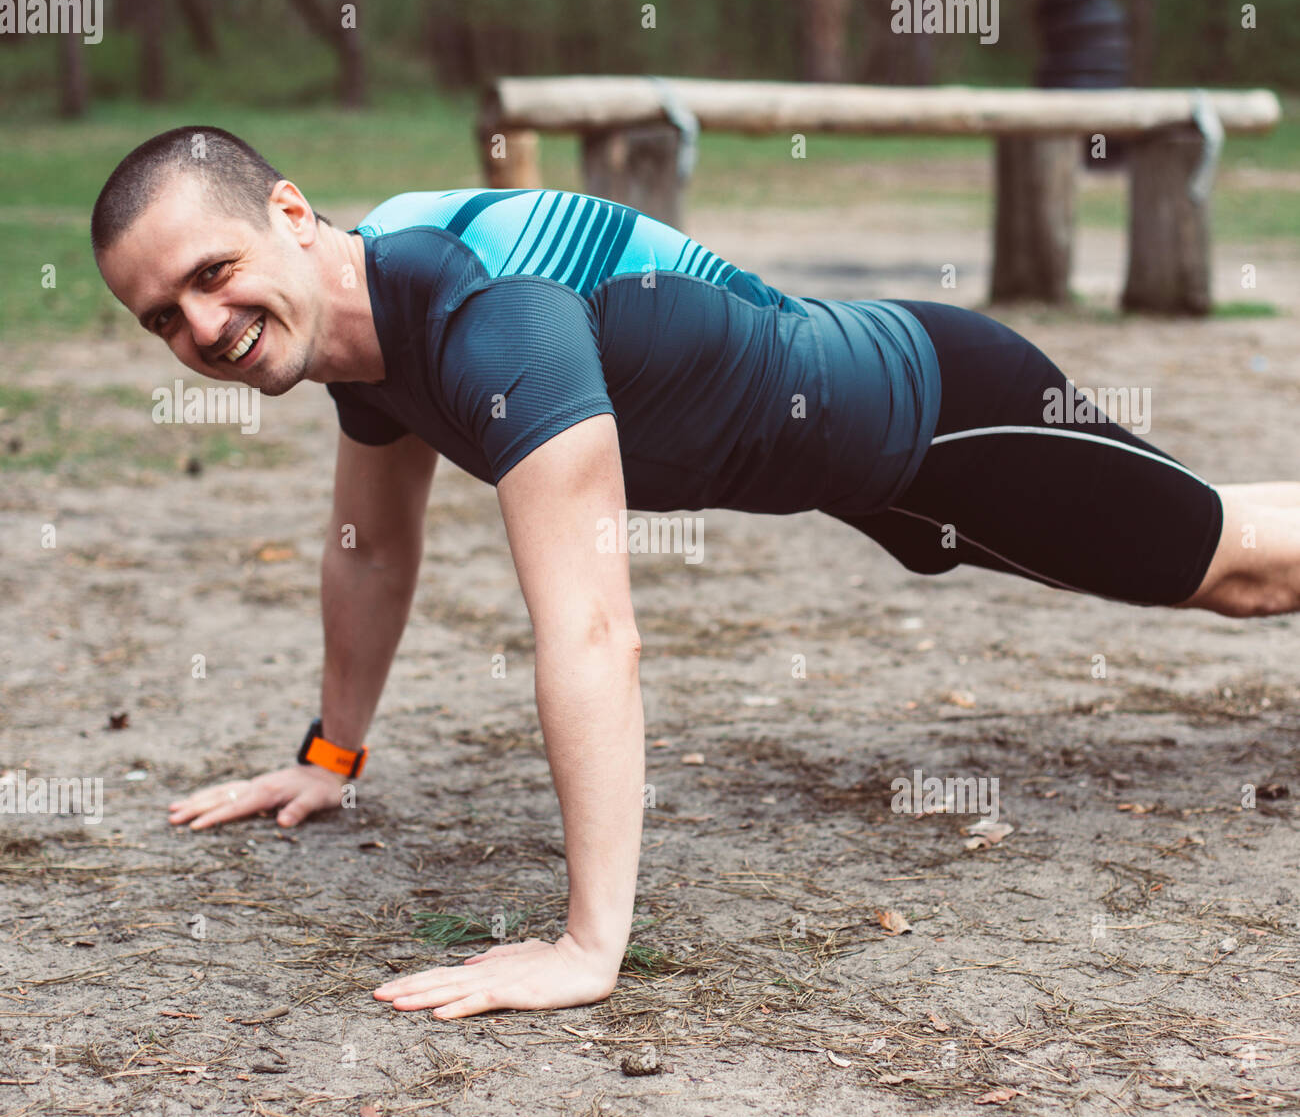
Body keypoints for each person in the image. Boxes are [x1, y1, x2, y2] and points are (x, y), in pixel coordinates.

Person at [91, 126, 1296, 1021]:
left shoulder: (490, 319)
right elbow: (372, 546)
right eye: (162, 318)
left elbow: (592, 632)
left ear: (291, 211)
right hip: (874, 470)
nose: (201, 328)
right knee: (1234, 552)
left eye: (210, 273)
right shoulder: (359, 319)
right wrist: (327, 757)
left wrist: (586, 947)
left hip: (951, 424)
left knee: (1239, 572)